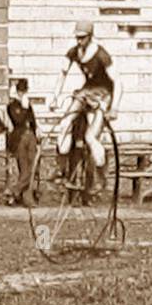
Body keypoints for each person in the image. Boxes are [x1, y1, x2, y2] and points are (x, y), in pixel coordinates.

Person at [50, 19, 121, 185]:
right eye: (77, 38)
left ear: (90, 36)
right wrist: (55, 97)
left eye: (82, 38)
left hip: (103, 95)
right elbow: (62, 73)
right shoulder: (74, 52)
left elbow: (118, 82)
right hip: (86, 91)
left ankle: (101, 173)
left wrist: (114, 107)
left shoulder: (101, 55)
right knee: (65, 123)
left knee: (90, 137)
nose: (79, 41)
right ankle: (61, 167)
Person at [4, 78, 38, 207]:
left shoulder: (28, 105)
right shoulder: (12, 106)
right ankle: (17, 194)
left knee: (31, 168)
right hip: (19, 138)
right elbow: (18, 121)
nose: (22, 94)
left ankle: (19, 195)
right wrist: (24, 108)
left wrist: (37, 132)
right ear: (17, 92)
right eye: (20, 91)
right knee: (25, 168)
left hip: (31, 137)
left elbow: (33, 121)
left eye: (24, 91)